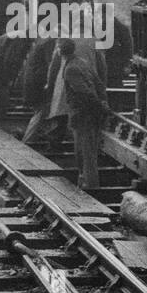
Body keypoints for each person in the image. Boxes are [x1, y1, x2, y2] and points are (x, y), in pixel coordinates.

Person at [56, 39, 107, 191]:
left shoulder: (70, 68)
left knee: (84, 152)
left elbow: (84, 92)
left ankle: (90, 186)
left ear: (61, 51)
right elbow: (99, 84)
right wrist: (103, 103)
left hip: (83, 114)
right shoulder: (82, 62)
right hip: (91, 113)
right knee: (89, 151)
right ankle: (87, 182)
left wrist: (99, 106)